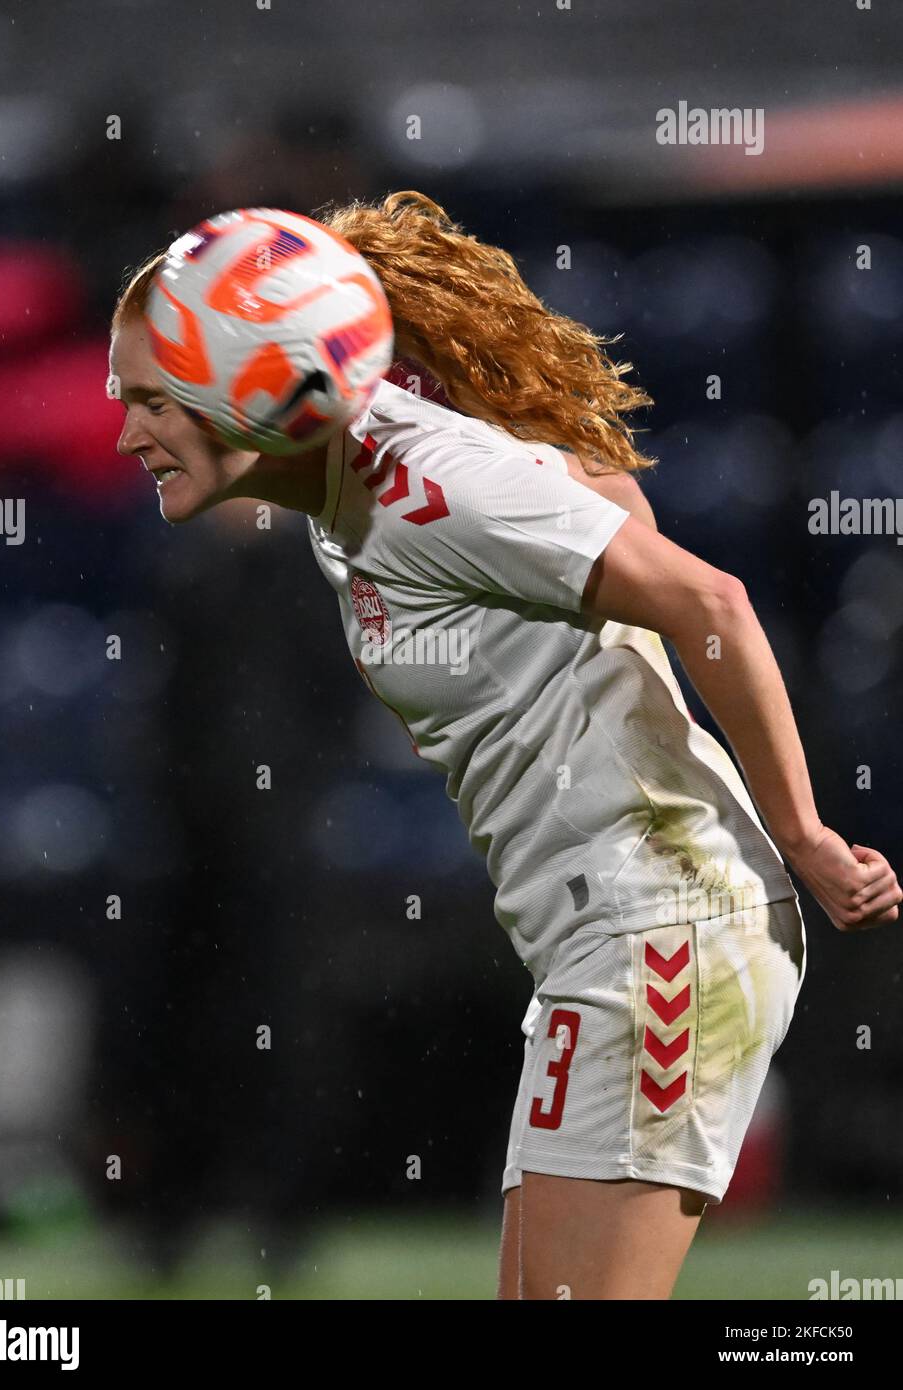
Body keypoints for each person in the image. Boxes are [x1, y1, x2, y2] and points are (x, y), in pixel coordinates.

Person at [108, 191, 901, 1300]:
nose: (125, 432)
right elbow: (608, 508)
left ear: (246, 382)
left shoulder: (431, 485)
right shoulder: (347, 496)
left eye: (149, 400)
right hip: (594, 945)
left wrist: (803, 833)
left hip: (661, 925)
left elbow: (709, 601)